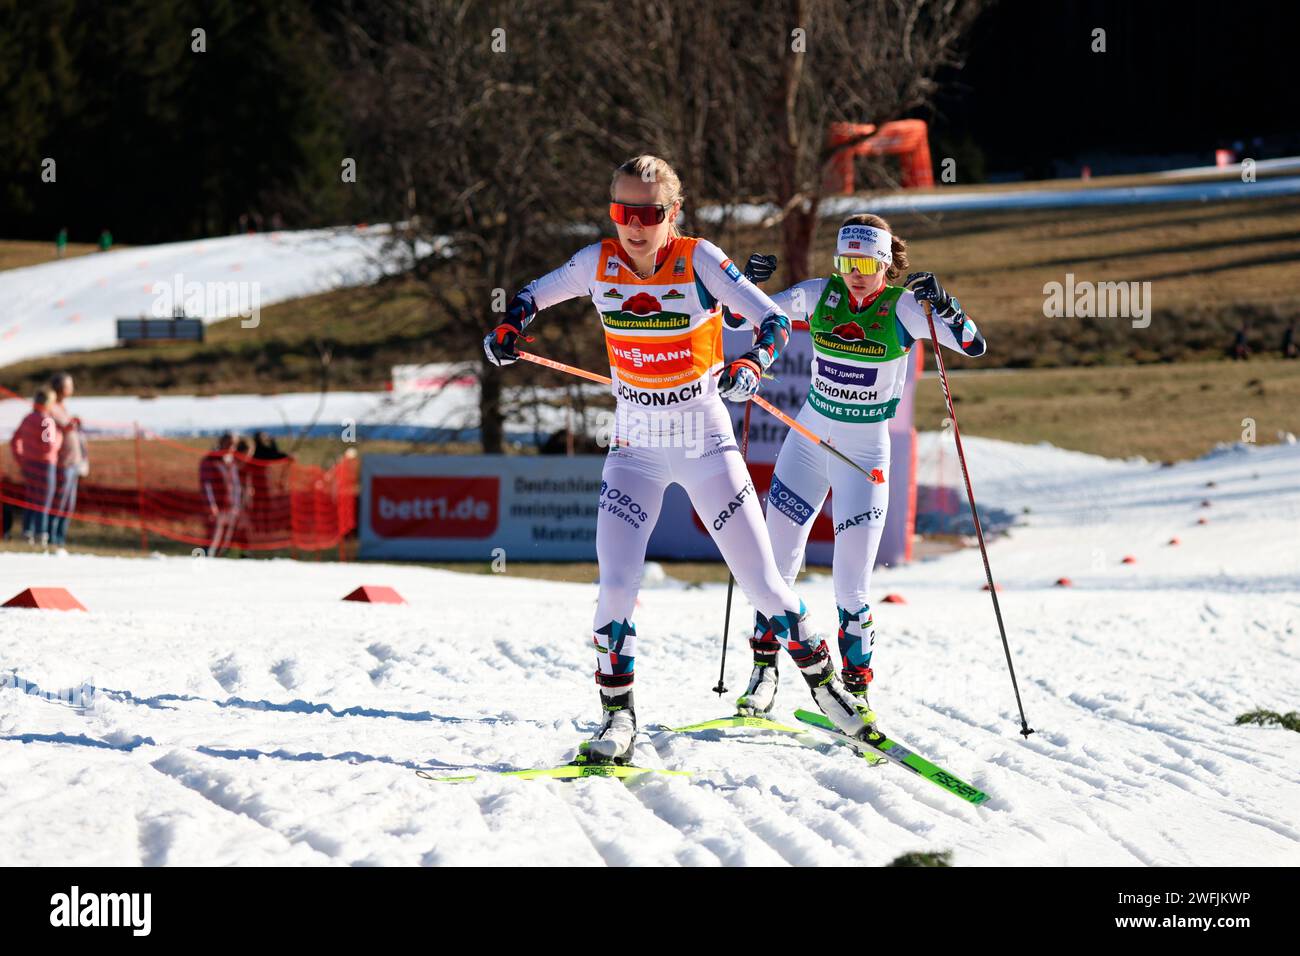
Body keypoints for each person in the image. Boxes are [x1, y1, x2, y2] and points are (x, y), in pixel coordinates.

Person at [482, 154, 872, 762]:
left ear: (674, 212)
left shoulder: (699, 260)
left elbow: (772, 320)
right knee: (615, 586)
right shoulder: (596, 263)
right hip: (633, 449)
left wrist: (753, 364)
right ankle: (618, 720)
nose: (634, 226)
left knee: (764, 584)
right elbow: (531, 295)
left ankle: (828, 690)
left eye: (649, 213)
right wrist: (509, 330)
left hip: (703, 443)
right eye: (623, 212)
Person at [727, 214, 987, 730]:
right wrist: (745, 289)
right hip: (807, 443)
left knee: (851, 585)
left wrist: (945, 304)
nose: (856, 275)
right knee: (773, 568)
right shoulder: (818, 294)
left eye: (867, 264)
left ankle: (856, 693)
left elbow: (973, 345)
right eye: (847, 263)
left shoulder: (904, 307)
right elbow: (742, 323)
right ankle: (763, 672)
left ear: (886, 264)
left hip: (864, 458)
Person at [8, 388, 63, 550]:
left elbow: (14, 441)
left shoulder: (27, 418)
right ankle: (41, 535)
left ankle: (27, 533)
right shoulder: (46, 421)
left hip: (29, 465)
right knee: (43, 501)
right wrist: (60, 436)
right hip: (45, 466)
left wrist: (21, 460)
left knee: (31, 500)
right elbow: (49, 446)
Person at [46, 372, 87, 555]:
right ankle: (52, 538)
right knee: (59, 503)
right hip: (63, 463)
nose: (72, 388)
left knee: (69, 505)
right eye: (68, 385)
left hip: (74, 462)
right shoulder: (52, 408)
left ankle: (60, 539)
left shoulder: (63, 407)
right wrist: (69, 425)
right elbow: (52, 430)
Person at [199, 433, 241, 556]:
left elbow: (236, 485)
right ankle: (202, 560)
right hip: (217, 506)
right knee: (212, 539)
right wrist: (211, 504)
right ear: (222, 443)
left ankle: (217, 561)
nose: (231, 447)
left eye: (234, 445)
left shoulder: (231, 462)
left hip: (231, 507)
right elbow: (206, 485)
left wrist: (236, 505)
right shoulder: (210, 461)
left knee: (225, 541)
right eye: (229, 444)